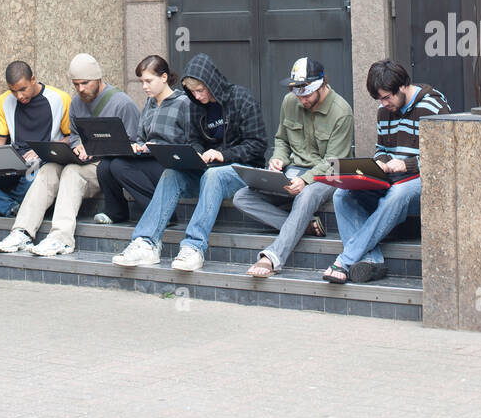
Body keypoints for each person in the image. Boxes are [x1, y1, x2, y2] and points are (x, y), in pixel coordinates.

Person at [111, 52, 267, 271]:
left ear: (212, 84)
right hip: (208, 169)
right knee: (171, 174)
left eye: (201, 90)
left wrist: (224, 155)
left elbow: (258, 144)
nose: (198, 96)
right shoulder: (195, 105)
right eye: (192, 92)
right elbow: (193, 140)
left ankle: (194, 246)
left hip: (243, 170)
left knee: (214, 174)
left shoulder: (242, 99)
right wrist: (197, 154)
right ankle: (146, 243)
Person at [0, 53, 140, 255]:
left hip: (106, 168)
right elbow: (73, 137)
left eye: (85, 83)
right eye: (76, 84)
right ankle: (22, 233)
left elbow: (133, 146)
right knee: (49, 169)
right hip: (81, 162)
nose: (81, 89)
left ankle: (61, 239)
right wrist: (78, 145)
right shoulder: (76, 103)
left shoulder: (123, 104)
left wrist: (95, 148)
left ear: (98, 77)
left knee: (71, 172)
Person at [322, 58, 450, 285]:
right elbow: (381, 149)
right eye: (379, 99)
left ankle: (346, 259)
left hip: (423, 183)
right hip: (390, 179)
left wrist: (407, 165)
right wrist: (380, 162)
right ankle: (372, 260)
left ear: (401, 87)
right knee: (341, 194)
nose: (383, 104)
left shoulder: (432, 107)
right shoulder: (384, 112)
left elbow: (446, 159)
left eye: (386, 97)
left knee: (399, 193)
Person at [232, 57, 354, 277]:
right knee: (241, 196)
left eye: (306, 94)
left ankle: (273, 257)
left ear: (322, 85)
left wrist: (306, 180)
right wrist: (278, 158)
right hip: (293, 170)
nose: (302, 100)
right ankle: (304, 225)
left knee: (305, 196)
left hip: (329, 175)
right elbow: (282, 140)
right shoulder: (290, 101)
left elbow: (334, 160)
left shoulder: (341, 111)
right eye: (298, 93)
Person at [0, 61, 71, 216]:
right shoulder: (3, 101)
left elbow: (72, 138)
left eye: (23, 89)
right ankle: (11, 207)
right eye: (13, 91)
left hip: (42, 160)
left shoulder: (60, 98)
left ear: (33, 79)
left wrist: (42, 150)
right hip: (13, 159)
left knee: (34, 177)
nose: (19, 96)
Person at [96, 56, 190, 223]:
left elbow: (191, 141)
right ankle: (116, 212)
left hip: (171, 162)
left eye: (148, 81)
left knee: (119, 166)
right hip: (148, 158)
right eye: (141, 82)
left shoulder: (183, 103)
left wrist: (159, 147)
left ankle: (163, 213)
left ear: (164, 77)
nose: (144, 86)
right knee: (104, 166)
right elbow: (141, 137)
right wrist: (137, 146)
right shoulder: (150, 103)